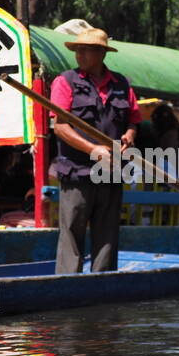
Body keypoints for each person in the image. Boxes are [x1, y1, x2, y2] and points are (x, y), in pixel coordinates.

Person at [50, 26, 140, 273]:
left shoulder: (122, 84)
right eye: (77, 50)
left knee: (107, 236)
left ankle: (103, 284)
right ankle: (67, 284)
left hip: (110, 172)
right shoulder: (65, 82)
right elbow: (60, 128)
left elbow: (133, 120)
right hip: (77, 172)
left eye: (85, 51)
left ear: (101, 53)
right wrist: (93, 150)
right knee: (71, 233)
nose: (79, 55)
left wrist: (129, 136)